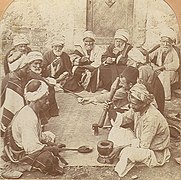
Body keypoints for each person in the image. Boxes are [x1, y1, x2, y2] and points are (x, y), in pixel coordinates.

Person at [2, 79, 65, 177]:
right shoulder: (28, 118)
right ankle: (18, 165)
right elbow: (31, 148)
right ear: (37, 100)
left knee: (50, 136)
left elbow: (36, 135)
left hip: (25, 143)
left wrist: (49, 143)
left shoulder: (32, 110)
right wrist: (51, 148)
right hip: (20, 152)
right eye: (45, 100)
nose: (48, 103)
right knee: (48, 159)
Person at [107, 83, 170, 178]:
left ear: (144, 103)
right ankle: (121, 153)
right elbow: (124, 118)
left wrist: (120, 147)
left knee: (127, 152)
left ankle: (116, 174)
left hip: (154, 152)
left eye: (134, 104)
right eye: (131, 103)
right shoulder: (137, 109)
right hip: (140, 140)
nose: (131, 106)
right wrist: (111, 110)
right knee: (116, 130)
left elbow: (144, 145)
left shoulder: (152, 118)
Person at [127, 47, 165, 114]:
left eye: (130, 60)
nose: (127, 62)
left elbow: (142, 87)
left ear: (137, 62)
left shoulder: (143, 69)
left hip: (155, 94)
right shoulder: (145, 67)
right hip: (153, 91)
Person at [150, 27, 180, 100]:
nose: (165, 44)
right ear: (160, 42)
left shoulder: (174, 51)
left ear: (171, 43)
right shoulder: (159, 49)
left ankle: (166, 96)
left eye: (168, 42)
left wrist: (162, 67)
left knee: (165, 74)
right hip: (160, 71)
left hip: (171, 74)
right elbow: (150, 57)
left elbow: (176, 65)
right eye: (163, 41)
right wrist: (152, 65)